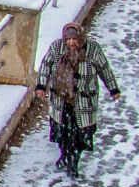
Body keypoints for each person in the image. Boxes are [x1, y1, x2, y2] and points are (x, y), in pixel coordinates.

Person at [37, 22, 123, 177]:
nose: (71, 43)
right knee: (64, 133)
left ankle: (73, 160)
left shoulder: (93, 50)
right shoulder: (57, 48)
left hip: (83, 101)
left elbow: (104, 68)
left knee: (81, 135)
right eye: (68, 39)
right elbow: (46, 66)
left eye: (74, 39)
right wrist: (41, 86)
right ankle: (66, 156)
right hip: (62, 100)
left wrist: (113, 89)